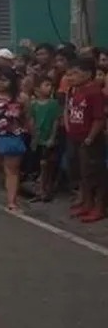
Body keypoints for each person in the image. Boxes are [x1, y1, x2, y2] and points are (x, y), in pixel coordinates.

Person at [66, 57, 106, 223]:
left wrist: (90, 137)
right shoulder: (76, 91)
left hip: (90, 140)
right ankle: (87, 203)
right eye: (70, 74)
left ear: (88, 74)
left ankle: (99, 208)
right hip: (76, 138)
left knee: (96, 175)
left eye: (76, 73)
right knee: (83, 175)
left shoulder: (95, 92)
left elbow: (99, 119)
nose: (71, 77)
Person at [0, 69, 27, 211]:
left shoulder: (21, 98)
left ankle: (11, 201)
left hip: (12, 134)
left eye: (4, 80)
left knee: (12, 170)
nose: (0, 83)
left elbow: (27, 116)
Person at [30, 76, 60, 202]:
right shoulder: (34, 104)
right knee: (39, 165)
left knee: (46, 164)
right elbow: (32, 121)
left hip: (48, 139)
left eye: (50, 85)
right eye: (46, 85)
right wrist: (33, 137)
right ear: (37, 89)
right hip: (38, 139)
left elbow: (55, 121)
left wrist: (52, 137)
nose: (49, 88)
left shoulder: (53, 104)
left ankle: (46, 190)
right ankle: (39, 190)